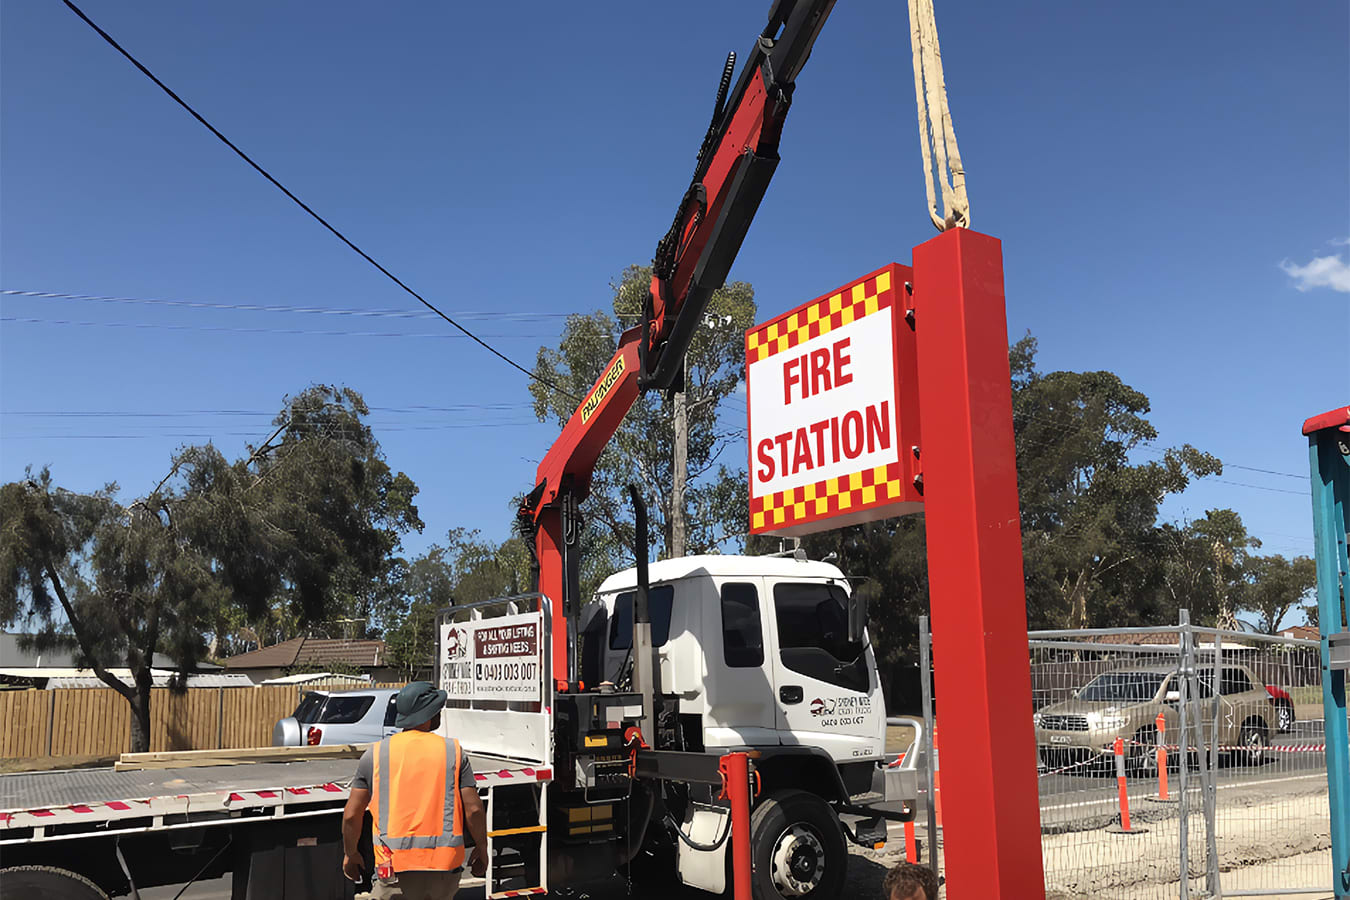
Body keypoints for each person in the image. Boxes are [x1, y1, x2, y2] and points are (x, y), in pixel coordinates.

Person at [342, 682, 489, 899]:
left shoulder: (376, 754)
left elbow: (351, 815)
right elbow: (474, 810)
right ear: (429, 713)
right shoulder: (453, 752)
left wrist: (350, 853)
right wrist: (482, 846)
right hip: (443, 869)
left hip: (393, 869)